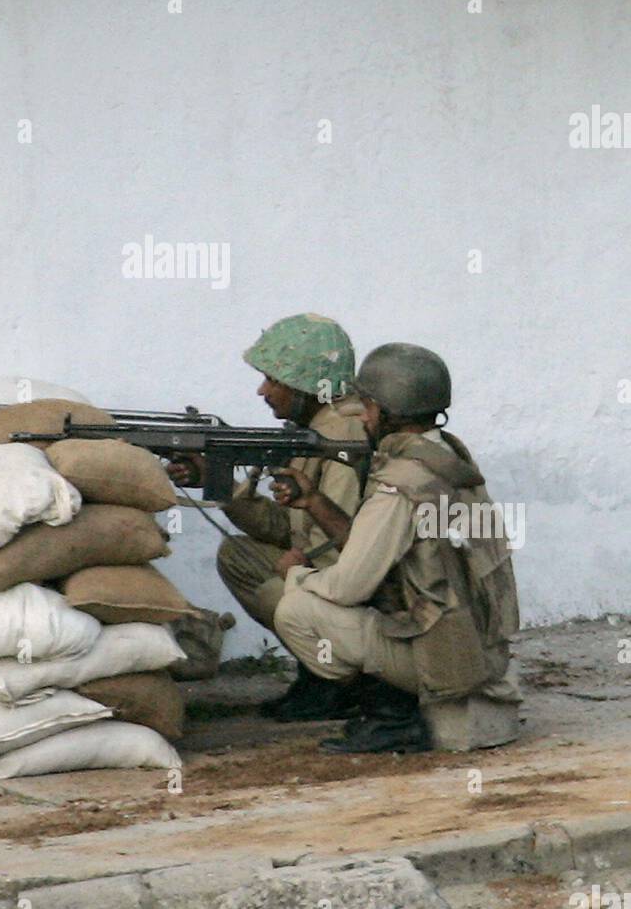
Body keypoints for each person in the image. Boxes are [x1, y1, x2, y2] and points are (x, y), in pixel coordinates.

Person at [271, 343, 521, 754]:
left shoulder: (401, 484)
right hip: (483, 654)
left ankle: (394, 718)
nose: (364, 418)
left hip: (449, 664)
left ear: (388, 411)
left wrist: (297, 577)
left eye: (368, 407)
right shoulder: (449, 457)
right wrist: (314, 501)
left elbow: (347, 587)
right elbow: (389, 552)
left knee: (297, 609)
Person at [168, 313, 369, 721]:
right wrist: (217, 481)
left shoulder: (340, 434)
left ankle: (339, 677)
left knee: (285, 583)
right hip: (334, 580)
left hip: (355, 591)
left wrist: (306, 559)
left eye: (273, 379)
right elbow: (285, 525)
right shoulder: (314, 426)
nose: (263, 390)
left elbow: (348, 540)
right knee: (238, 554)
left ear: (304, 382)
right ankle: (321, 668)